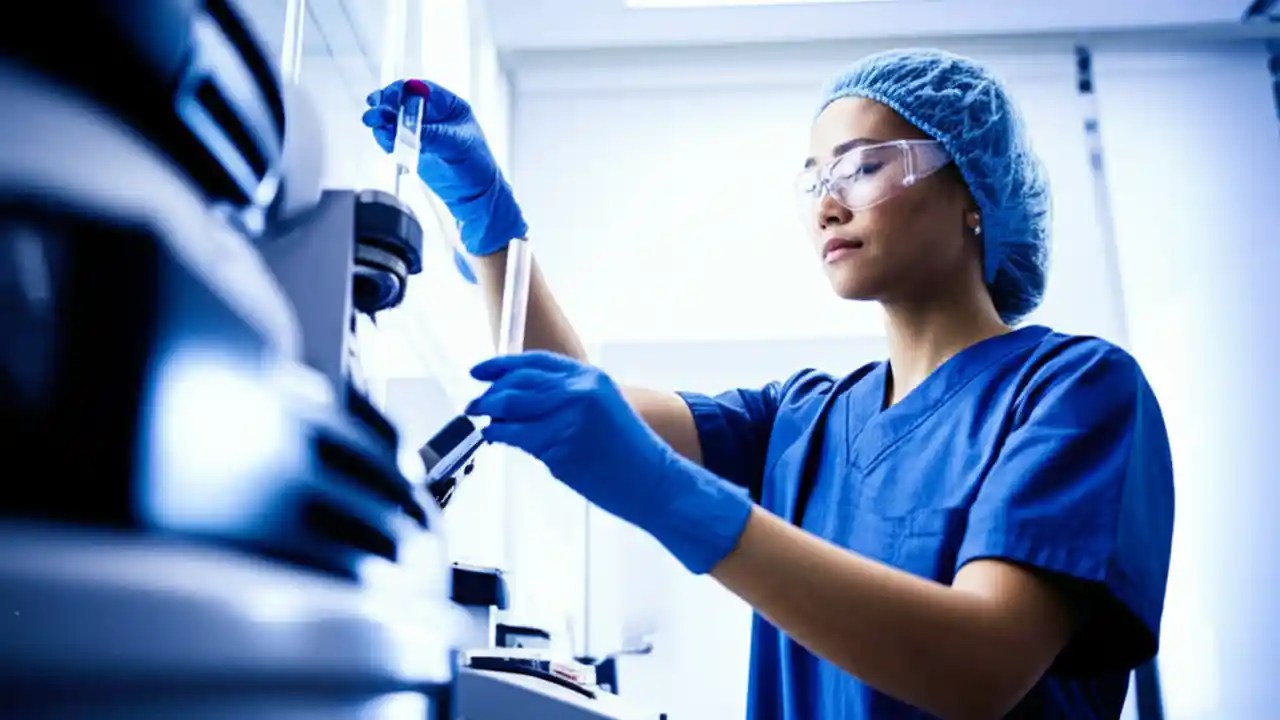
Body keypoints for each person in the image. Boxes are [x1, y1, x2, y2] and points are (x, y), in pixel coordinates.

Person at [364, 48, 1175, 720]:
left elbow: (980, 667)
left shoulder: (1073, 390)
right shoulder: (804, 419)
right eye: (815, 179)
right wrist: (488, 217)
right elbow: (581, 394)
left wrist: (677, 501)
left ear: (972, 192)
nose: (827, 205)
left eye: (862, 167)